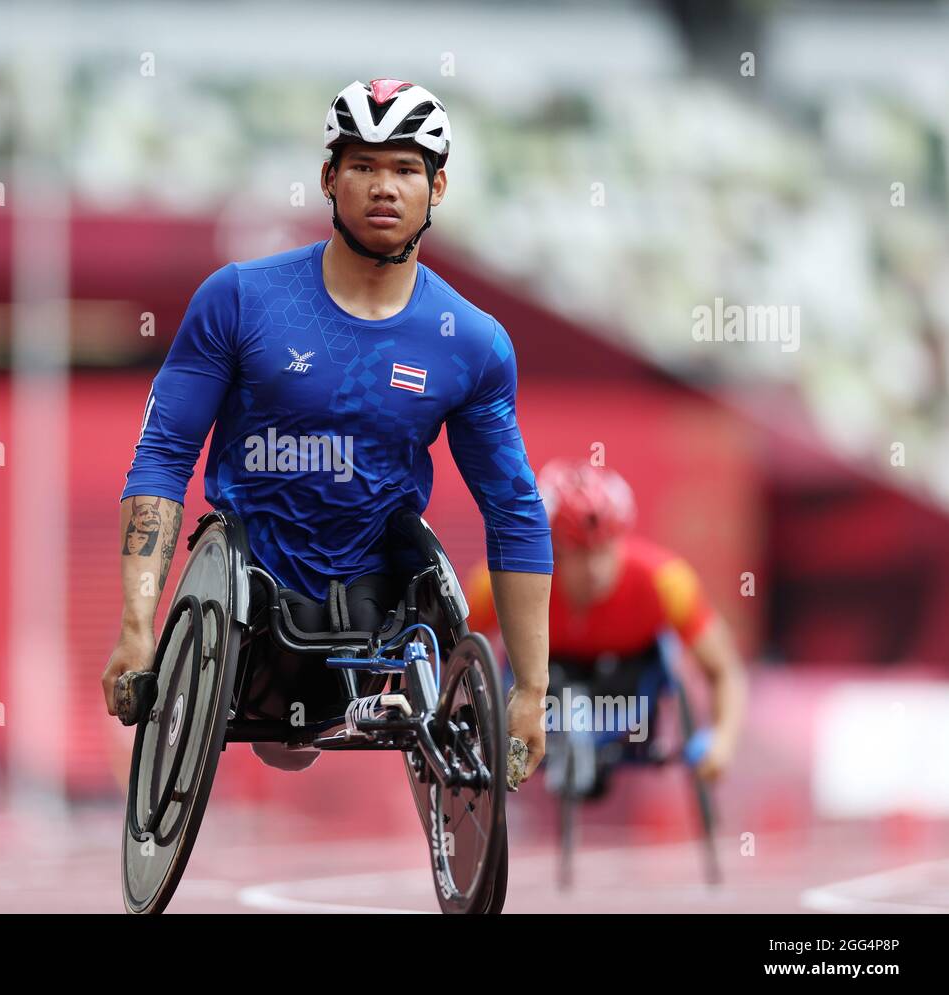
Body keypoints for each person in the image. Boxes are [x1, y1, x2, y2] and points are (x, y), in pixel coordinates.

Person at [103, 78, 553, 778]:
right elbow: (163, 454)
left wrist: (530, 689)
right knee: (285, 751)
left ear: (437, 189)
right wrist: (137, 628)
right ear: (327, 178)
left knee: (420, 575)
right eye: (364, 166)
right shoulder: (240, 299)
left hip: (379, 606)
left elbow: (516, 510)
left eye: (405, 168)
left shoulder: (470, 340)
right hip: (249, 595)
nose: (384, 186)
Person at [465, 459, 748, 783]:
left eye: (605, 547)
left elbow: (724, 669)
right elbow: (453, 652)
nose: (595, 569)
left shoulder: (666, 582)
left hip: (627, 687)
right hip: (544, 684)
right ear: (552, 547)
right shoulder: (503, 582)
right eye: (580, 551)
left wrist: (722, 740)